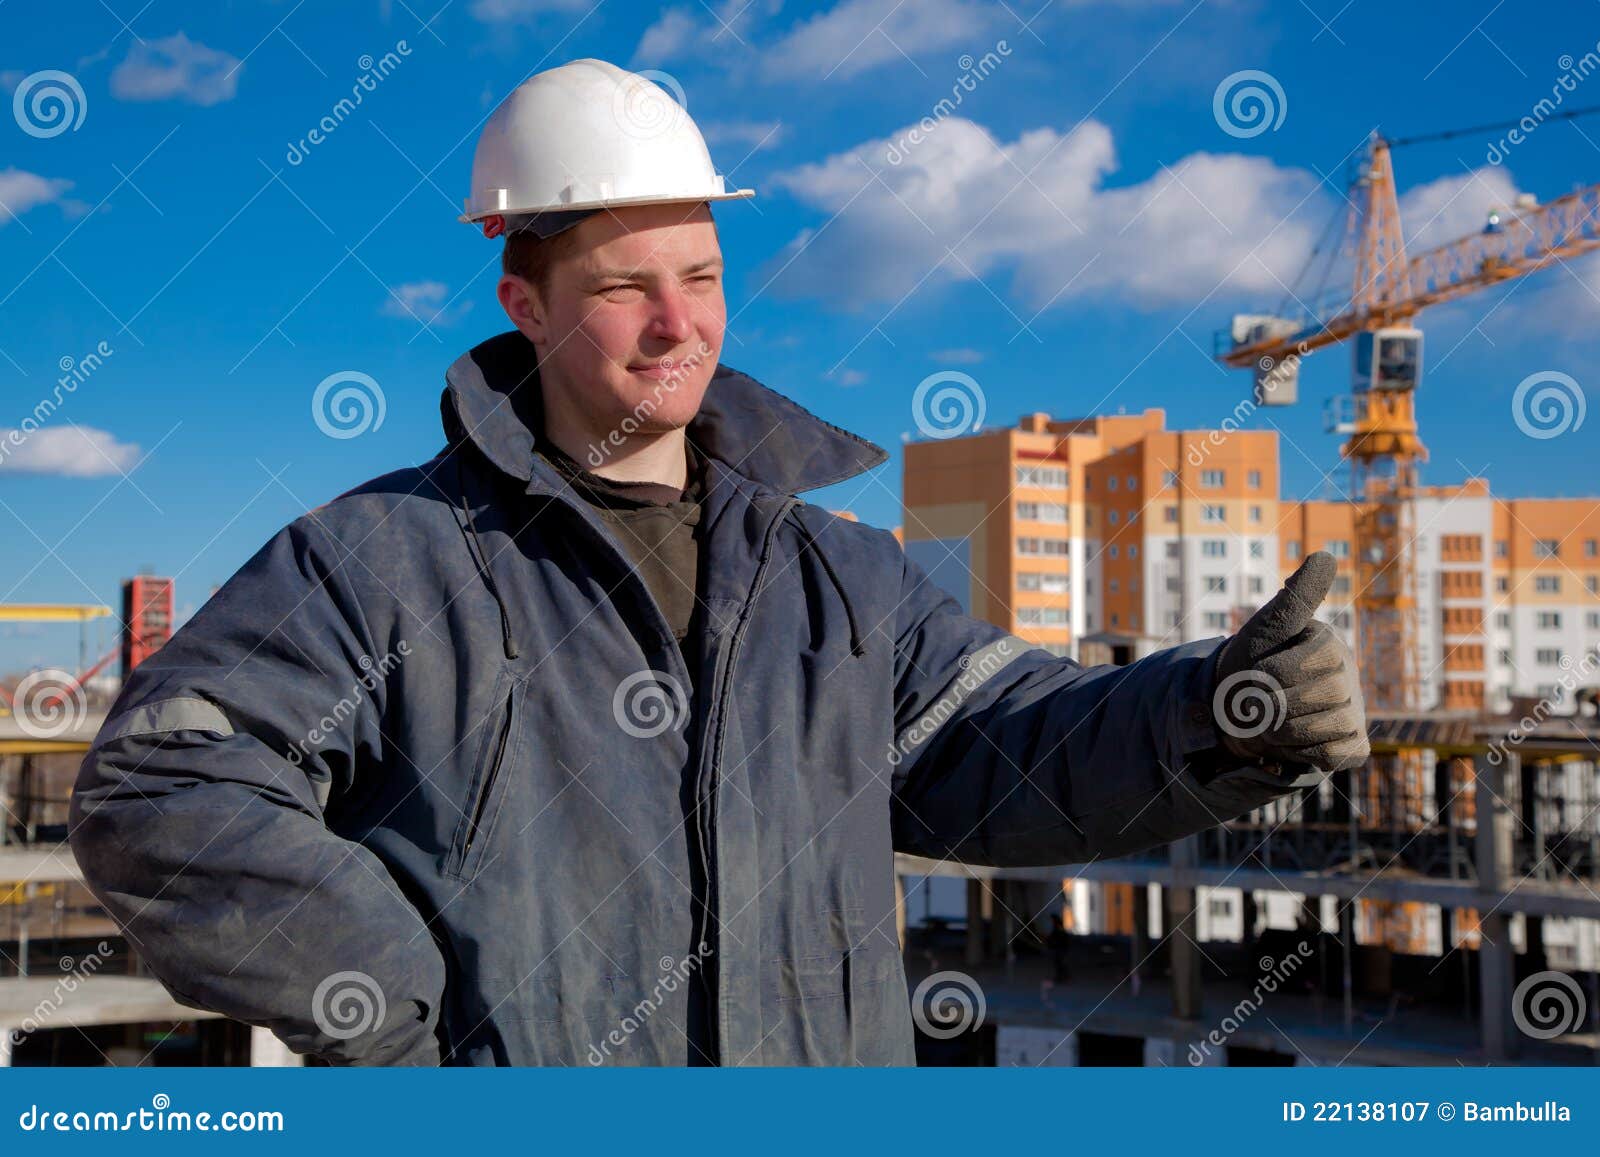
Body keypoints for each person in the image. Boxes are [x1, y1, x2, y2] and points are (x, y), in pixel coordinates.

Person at [68, 58, 1369, 1067]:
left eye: (701, 272)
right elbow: (160, 784)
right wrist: (403, 1008)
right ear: (525, 303)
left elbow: (1008, 746)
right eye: (627, 286)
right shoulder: (384, 564)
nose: (679, 322)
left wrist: (1220, 711)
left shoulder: (838, 579)